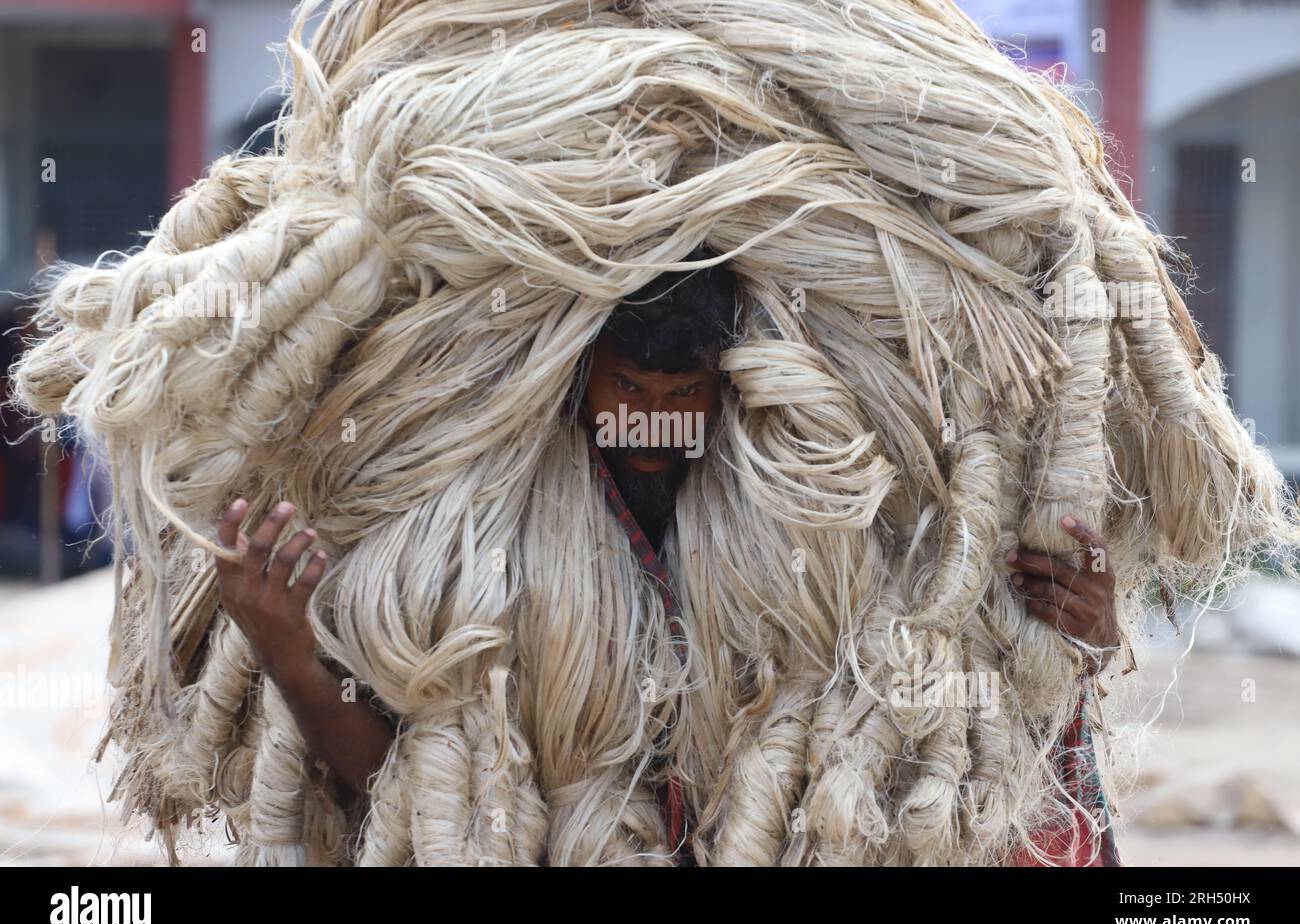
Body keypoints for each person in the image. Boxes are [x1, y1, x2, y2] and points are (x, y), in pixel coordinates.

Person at [213, 247, 1121, 865]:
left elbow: (977, 684)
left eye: (683, 391)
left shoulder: (830, 522)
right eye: (629, 387)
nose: (651, 422)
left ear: (729, 388)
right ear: (575, 381)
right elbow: (415, 777)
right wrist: (289, 649)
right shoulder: (490, 547)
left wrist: (1082, 640)